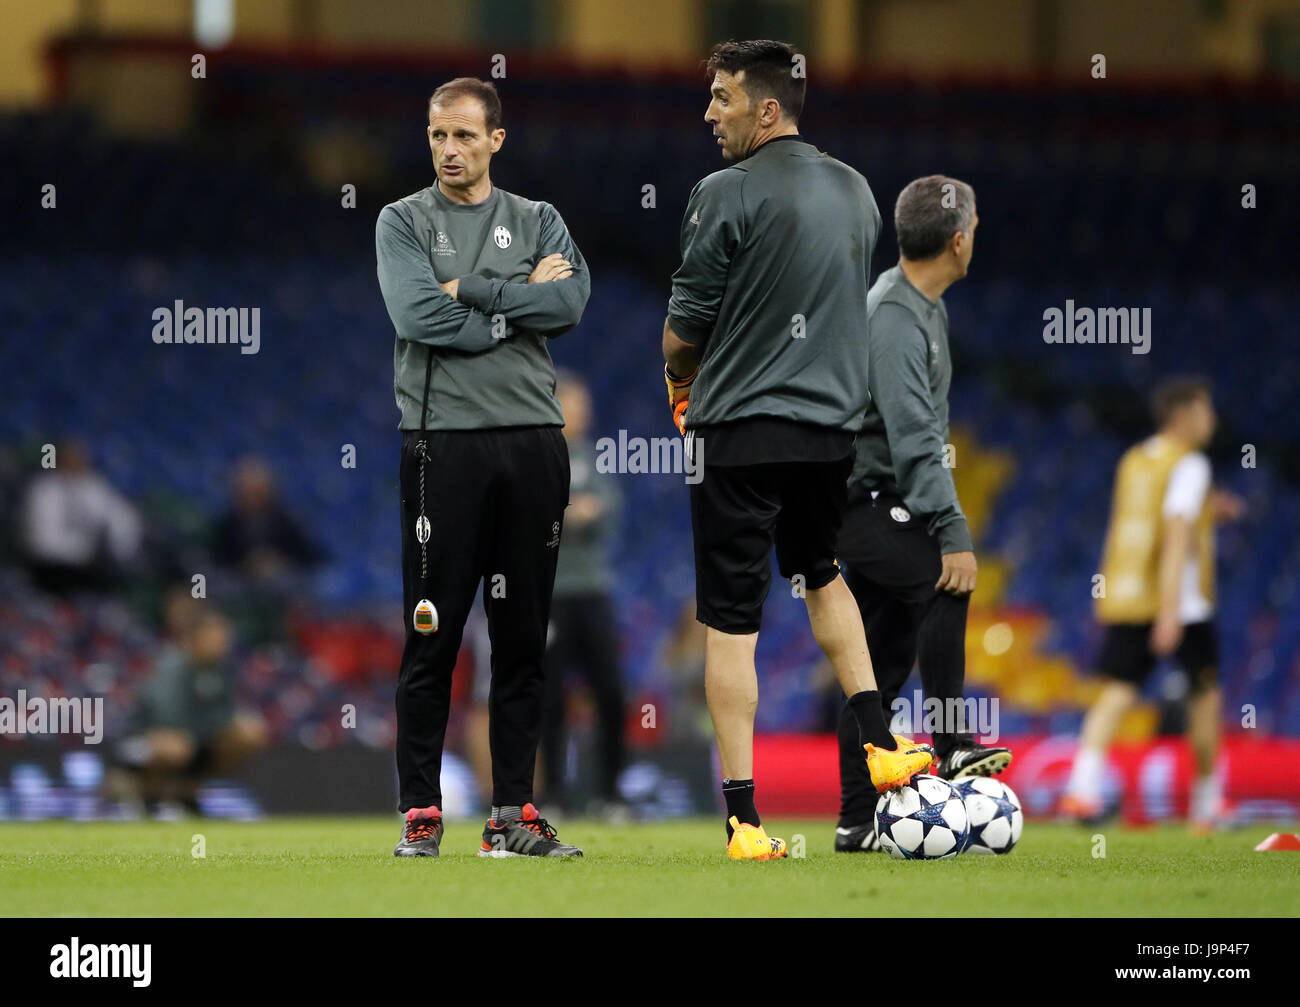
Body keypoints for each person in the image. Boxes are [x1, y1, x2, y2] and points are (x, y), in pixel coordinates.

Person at [662, 39, 934, 861]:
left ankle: (745, 819)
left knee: (731, 622)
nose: (709, 114)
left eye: (722, 98)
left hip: (738, 431)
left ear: (765, 108)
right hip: (829, 435)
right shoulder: (856, 191)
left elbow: (684, 331)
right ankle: (883, 744)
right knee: (823, 574)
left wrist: (679, 381)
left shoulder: (725, 192)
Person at [376, 77, 589, 858]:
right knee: (432, 632)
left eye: (464, 135)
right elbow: (417, 316)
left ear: (497, 139)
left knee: (523, 639)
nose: (448, 150)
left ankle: (511, 814)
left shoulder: (538, 218)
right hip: (443, 444)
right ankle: (423, 812)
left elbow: (570, 306)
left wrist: (470, 291)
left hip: (534, 441)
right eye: (437, 135)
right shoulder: (401, 221)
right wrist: (513, 303)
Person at [832, 176, 1012, 854]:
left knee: (877, 664)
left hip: (877, 495)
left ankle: (856, 819)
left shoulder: (921, 307)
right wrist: (953, 531)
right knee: (946, 574)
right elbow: (913, 442)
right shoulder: (895, 316)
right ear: (959, 239)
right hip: (861, 498)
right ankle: (954, 743)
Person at [1061, 377, 1239, 830]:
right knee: (1205, 696)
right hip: (1182, 603)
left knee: (1118, 690)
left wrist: (1210, 509)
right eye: (1205, 411)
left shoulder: (1136, 460)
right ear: (1183, 416)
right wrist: (1170, 610)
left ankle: (1081, 790)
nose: (1211, 420)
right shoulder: (1190, 463)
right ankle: (1206, 803)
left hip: (1127, 593)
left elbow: (1150, 516)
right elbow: (1175, 531)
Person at [539, 372, 628, 815]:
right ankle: (552, 794)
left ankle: (609, 793)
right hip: (550, 591)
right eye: (577, 404)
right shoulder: (537, 452)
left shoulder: (596, 457)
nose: (585, 412)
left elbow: (609, 511)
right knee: (550, 696)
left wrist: (568, 510)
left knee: (610, 691)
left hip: (593, 590)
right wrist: (573, 510)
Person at [107, 592, 266, 816]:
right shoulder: (172, 668)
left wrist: (228, 728)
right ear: (196, 638)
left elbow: (227, 714)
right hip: (141, 742)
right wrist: (213, 728)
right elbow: (170, 720)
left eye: (224, 638)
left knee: (247, 733)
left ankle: (186, 793)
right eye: (215, 637)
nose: (222, 644)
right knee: (175, 745)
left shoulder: (220, 671)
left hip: (195, 741)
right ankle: (146, 794)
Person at [20, 438, 142, 596]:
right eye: (70, 457)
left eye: (79, 457)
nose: (76, 461)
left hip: (90, 569)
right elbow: (43, 542)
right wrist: (85, 550)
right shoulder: (45, 488)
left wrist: (117, 550)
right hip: (50, 569)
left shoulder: (95, 488)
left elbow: (122, 520)